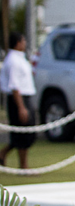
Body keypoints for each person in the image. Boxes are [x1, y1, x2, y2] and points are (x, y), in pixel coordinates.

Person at [0, 32, 36, 169]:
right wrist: (21, 107)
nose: (25, 43)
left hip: (25, 96)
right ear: (18, 43)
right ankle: (23, 166)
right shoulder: (13, 60)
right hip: (18, 99)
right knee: (21, 133)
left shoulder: (20, 58)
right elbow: (14, 86)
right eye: (23, 40)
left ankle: (2, 154)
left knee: (27, 132)